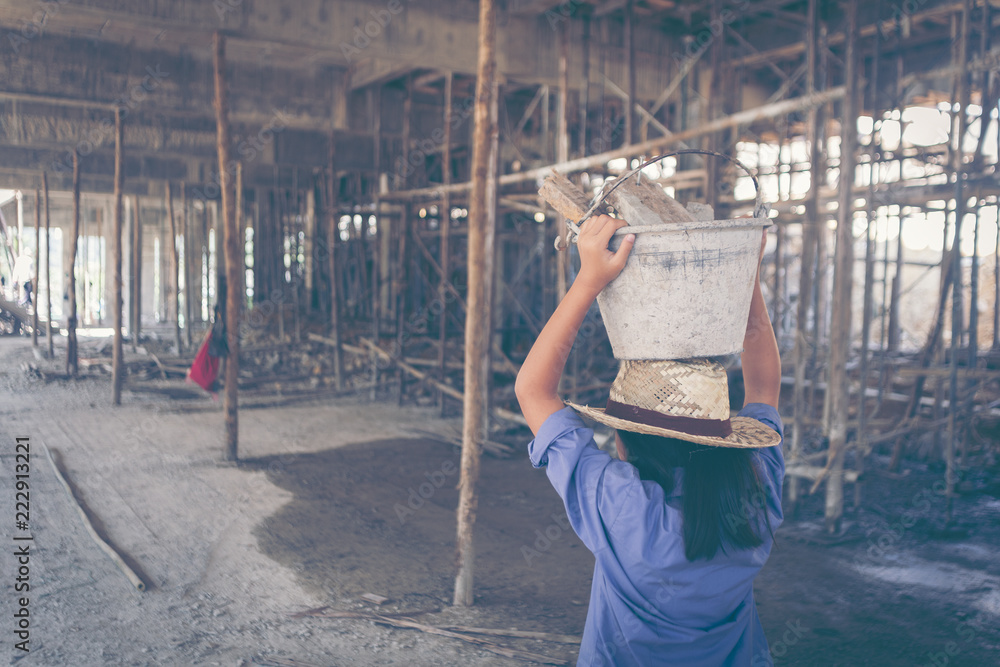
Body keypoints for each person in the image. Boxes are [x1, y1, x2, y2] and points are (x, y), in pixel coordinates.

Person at [515, 214, 784, 666]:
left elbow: (531, 390)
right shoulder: (755, 491)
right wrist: (746, 278)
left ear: (627, 442)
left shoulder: (626, 507)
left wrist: (589, 282)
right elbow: (764, 387)